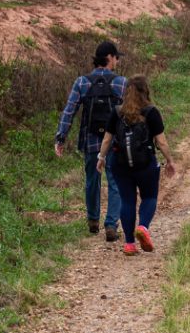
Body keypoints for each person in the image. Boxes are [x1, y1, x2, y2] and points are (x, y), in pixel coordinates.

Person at [96, 75, 176, 256]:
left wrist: (101, 157)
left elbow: (108, 138)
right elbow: (161, 142)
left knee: (127, 201)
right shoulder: (151, 112)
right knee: (149, 197)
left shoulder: (117, 112)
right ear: (145, 91)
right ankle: (142, 227)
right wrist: (170, 161)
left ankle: (130, 244)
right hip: (145, 163)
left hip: (120, 163)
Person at [55, 41, 126, 241]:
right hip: (115, 143)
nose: (117, 61)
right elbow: (133, 113)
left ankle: (93, 220)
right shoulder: (121, 82)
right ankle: (111, 224)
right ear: (110, 58)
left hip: (91, 141)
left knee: (92, 181)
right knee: (115, 183)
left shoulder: (82, 82)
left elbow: (69, 110)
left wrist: (61, 137)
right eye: (116, 57)